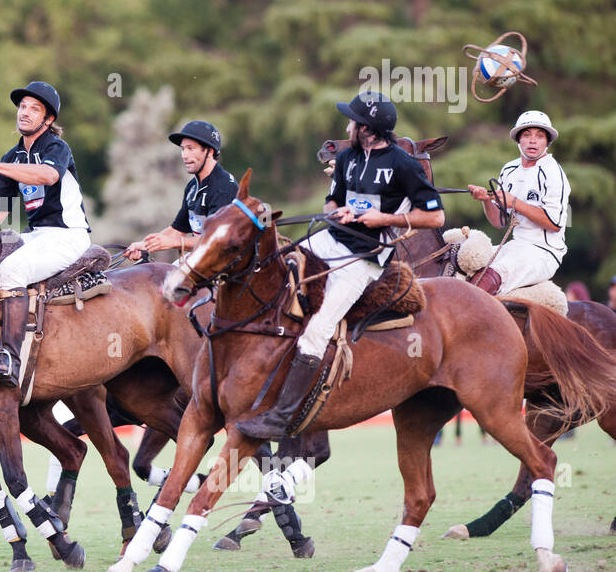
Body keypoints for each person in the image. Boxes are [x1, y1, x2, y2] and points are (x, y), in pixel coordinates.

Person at [236, 92, 445, 440]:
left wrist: (384, 218)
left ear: (368, 129)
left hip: (366, 257)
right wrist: (337, 211)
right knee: (280, 269)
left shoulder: (404, 165)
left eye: (352, 121)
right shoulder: (347, 157)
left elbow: (435, 215)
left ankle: (281, 418)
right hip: (331, 239)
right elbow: (333, 198)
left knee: (318, 329)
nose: (347, 125)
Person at [0, 80, 92, 387]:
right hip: (39, 235)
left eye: (35, 108)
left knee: (11, 270)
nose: (25, 113)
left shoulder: (56, 148)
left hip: (68, 235)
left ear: (48, 120)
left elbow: (47, 174)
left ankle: (9, 357)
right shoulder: (11, 157)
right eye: (22, 106)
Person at [466, 111, 571, 296]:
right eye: (527, 135)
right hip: (515, 246)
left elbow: (554, 224)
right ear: (518, 140)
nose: (533, 141)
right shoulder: (509, 169)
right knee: (460, 261)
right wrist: (486, 200)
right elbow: (499, 222)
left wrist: (515, 202)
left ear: (547, 142)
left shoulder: (553, 172)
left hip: (543, 252)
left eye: (539, 136)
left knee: (486, 280)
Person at [126, 120, 237, 260]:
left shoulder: (224, 187)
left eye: (191, 148)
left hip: (227, 267)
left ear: (210, 151)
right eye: (183, 149)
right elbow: (178, 230)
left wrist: (173, 243)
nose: (184, 155)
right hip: (202, 260)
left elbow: (215, 241)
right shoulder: (193, 186)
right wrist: (144, 246)